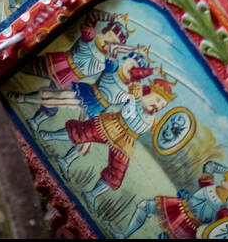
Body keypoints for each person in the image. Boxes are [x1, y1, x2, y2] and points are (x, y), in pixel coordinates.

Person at [58, 75, 174, 205]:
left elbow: (162, 134)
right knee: (83, 133)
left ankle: (92, 194)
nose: (157, 106)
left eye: (162, 106)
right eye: (157, 100)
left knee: (116, 173)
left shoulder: (153, 121)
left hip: (126, 143)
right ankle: (64, 159)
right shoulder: (135, 99)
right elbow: (126, 112)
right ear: (148, 92)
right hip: (112, 125)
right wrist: (134, 98)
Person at [119, 164, 228, 240]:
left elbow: (217, 231)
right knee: (144, 206)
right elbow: (209, 166)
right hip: (177, 207)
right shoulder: (209, 186)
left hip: (187, 228)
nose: (225, 179)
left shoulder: (223, 212)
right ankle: (123, 236)